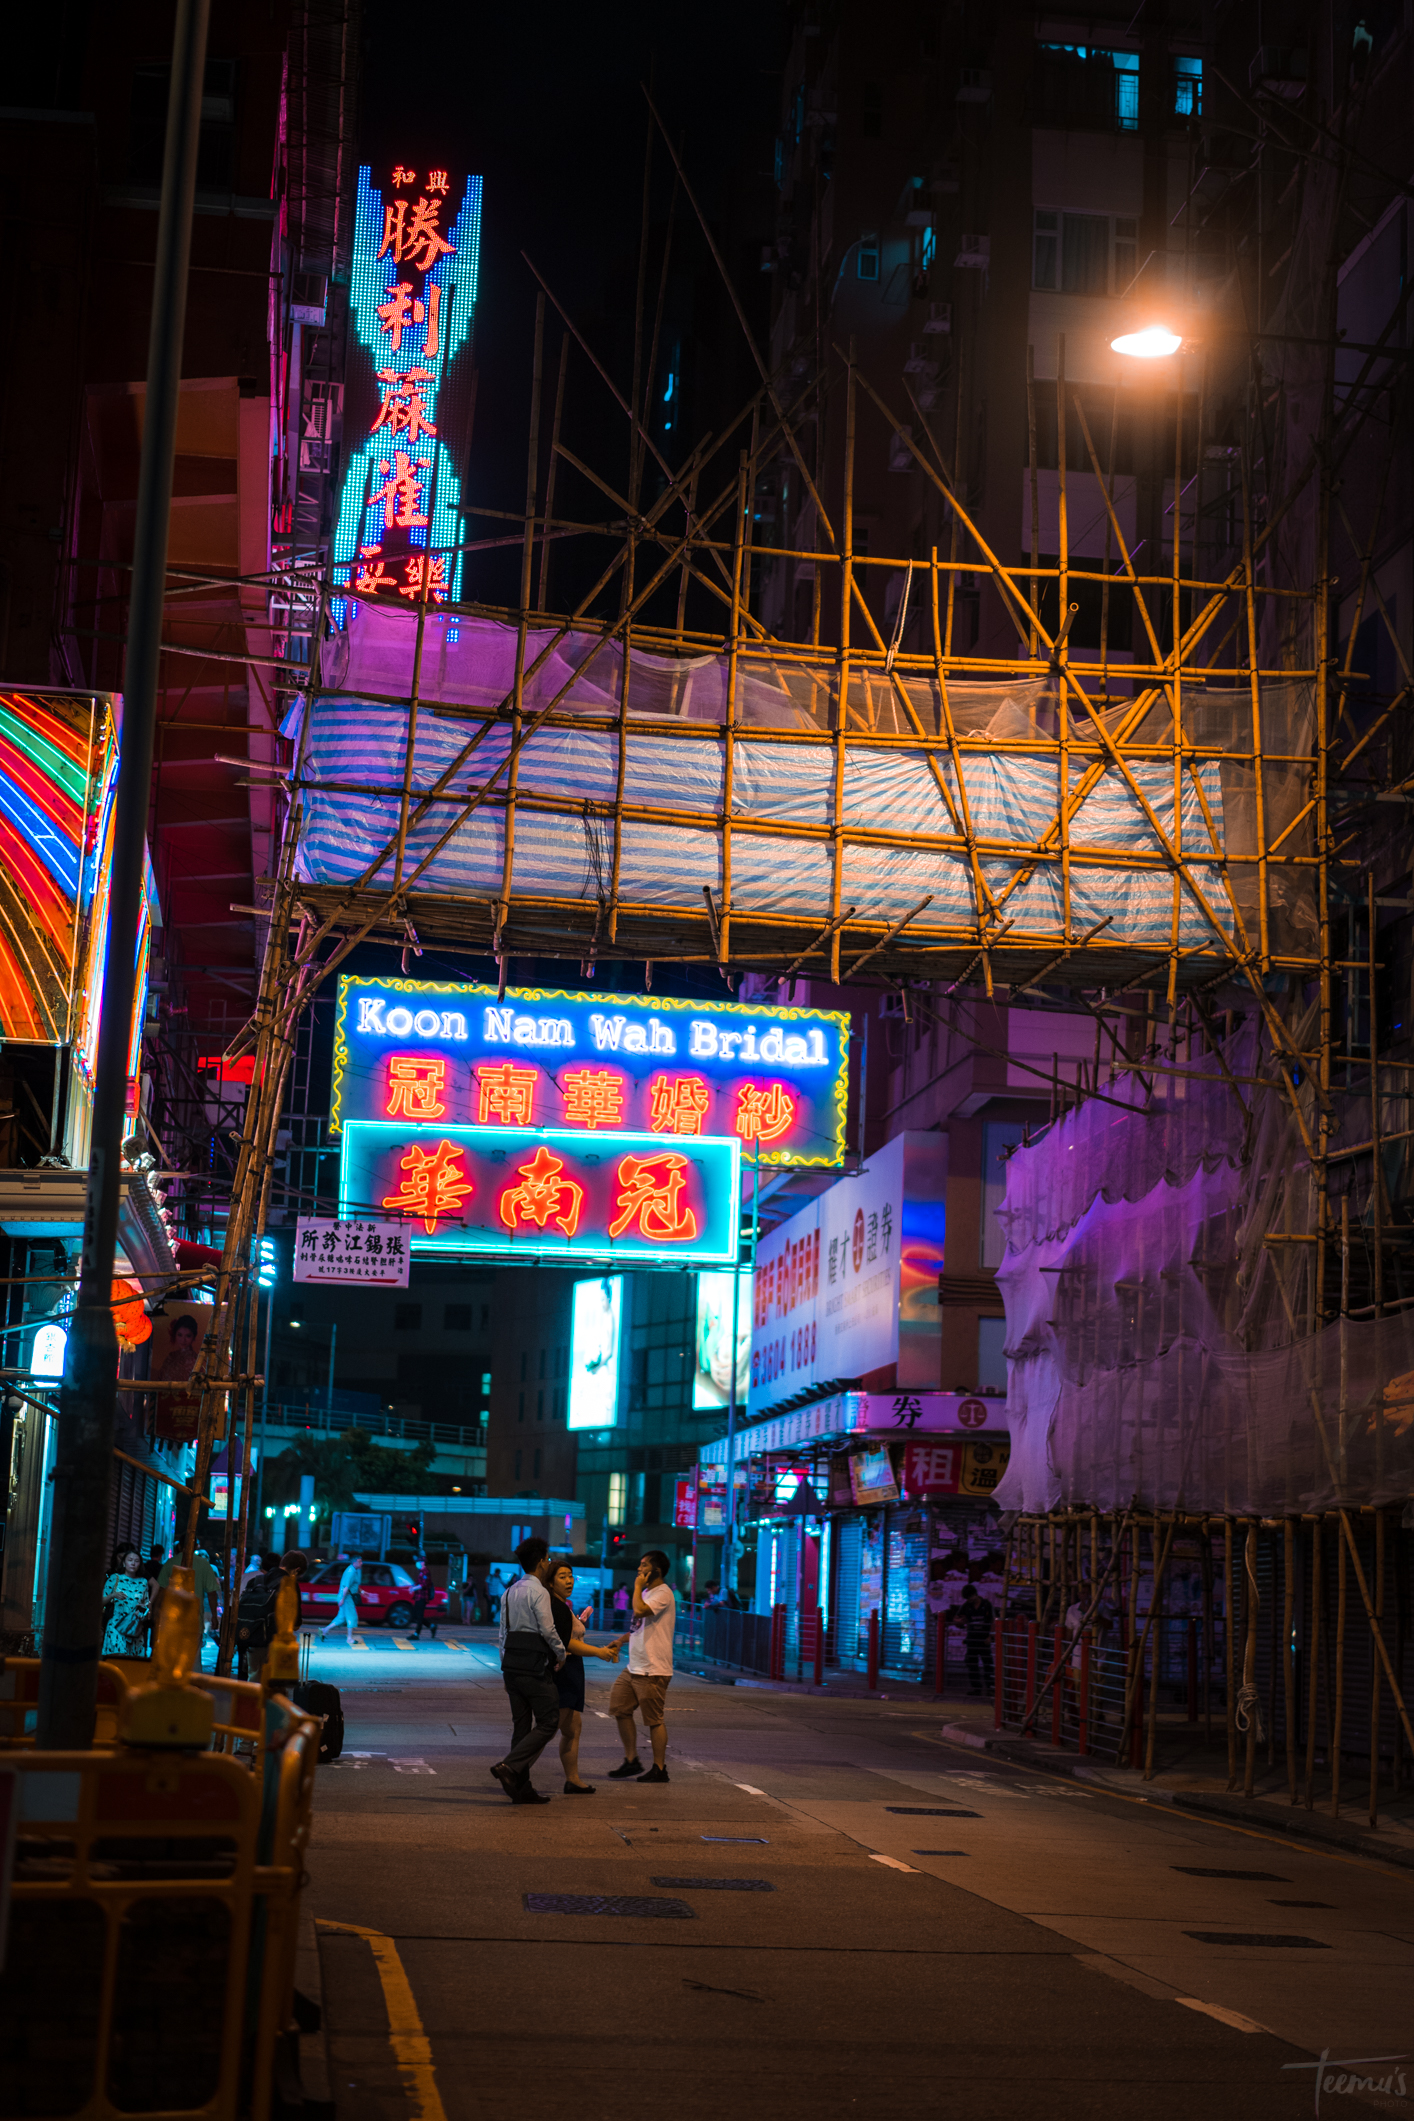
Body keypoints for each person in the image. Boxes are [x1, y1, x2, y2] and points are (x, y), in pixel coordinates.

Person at [489, 1536, 566, 1804]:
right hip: (534, 1667)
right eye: (547, 1557)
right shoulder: (539, 1592)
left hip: (511, 1666)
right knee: (549, 1720)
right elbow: (547, 1629)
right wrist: (561, 1652)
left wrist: (504, 1667)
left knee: (521, 1728)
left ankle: (521, 1789)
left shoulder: (509, 1592)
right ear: (542, 1561)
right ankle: (509, 1766)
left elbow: (503, 1634)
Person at [547, 1559, 621, 1794]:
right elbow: (567, 1643)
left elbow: (570, 1636)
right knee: (548, 1730)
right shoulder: (554, 1606)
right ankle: (515, 1769)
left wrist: (579, 1622)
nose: (569, 1580)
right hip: (563, 1670)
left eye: (570, 1575)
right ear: (550, 1581)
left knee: (572, 1728)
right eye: (562, 1576)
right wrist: (600, 1652)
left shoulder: (562, 1606)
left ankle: (573, 1779)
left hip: (573, 1671)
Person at [607, 1549, 676, 1783]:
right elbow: (639, 1625)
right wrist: (621, 1639)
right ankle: (631, 1760)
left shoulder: (662, 1593)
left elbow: (640, 1611)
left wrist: (637, 1588)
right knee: (619, 1708)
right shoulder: (647, 1592)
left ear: (656, 1570)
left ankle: (659, 1768)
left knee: (654, 1719)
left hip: (653, 1668)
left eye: (644, 1565)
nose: (639, 1569)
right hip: (634, 1666)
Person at [101, 1545, 150, 1656]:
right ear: (124, 1563)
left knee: (131, 1664)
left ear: (140, 1564)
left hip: (134, 1628)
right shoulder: (114, 1578)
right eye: (130, 1560)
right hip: (116, 1626)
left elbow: (145, 1604)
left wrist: (141, 1611)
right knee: (117, 1658)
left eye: (136, 1561)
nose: (133, 1563)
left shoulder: (143, 1582)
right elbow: (101, 1601)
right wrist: (113, 1595)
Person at [950, 1582, 996, 1697]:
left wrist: (991, 1636)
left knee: (988, 1664)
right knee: (972, 1664)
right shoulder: (966, 1606)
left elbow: (993, 1621)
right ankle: (976, 1688)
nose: (969, 1601)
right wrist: (959, 1622)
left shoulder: (986, 1605)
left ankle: (990, 1688)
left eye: (970, 1598)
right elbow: (957, 1620)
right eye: (967, 1599)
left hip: (984, 1640)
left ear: (975, 1594)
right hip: (972, 1639)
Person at [321, 1553, 363, 1646]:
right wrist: (342, 1599)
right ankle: (349, 1638)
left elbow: (354, 1584)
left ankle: (324, 1630)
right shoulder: (350, 1572)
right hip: (346, 1597)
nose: (361, 1563)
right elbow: (346, 1587)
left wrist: (362, 1592)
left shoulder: (354, 1570)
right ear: (354, 1562)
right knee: (352, 1617)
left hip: (346, 1597)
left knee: (341, 1618)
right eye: (360, 1562)